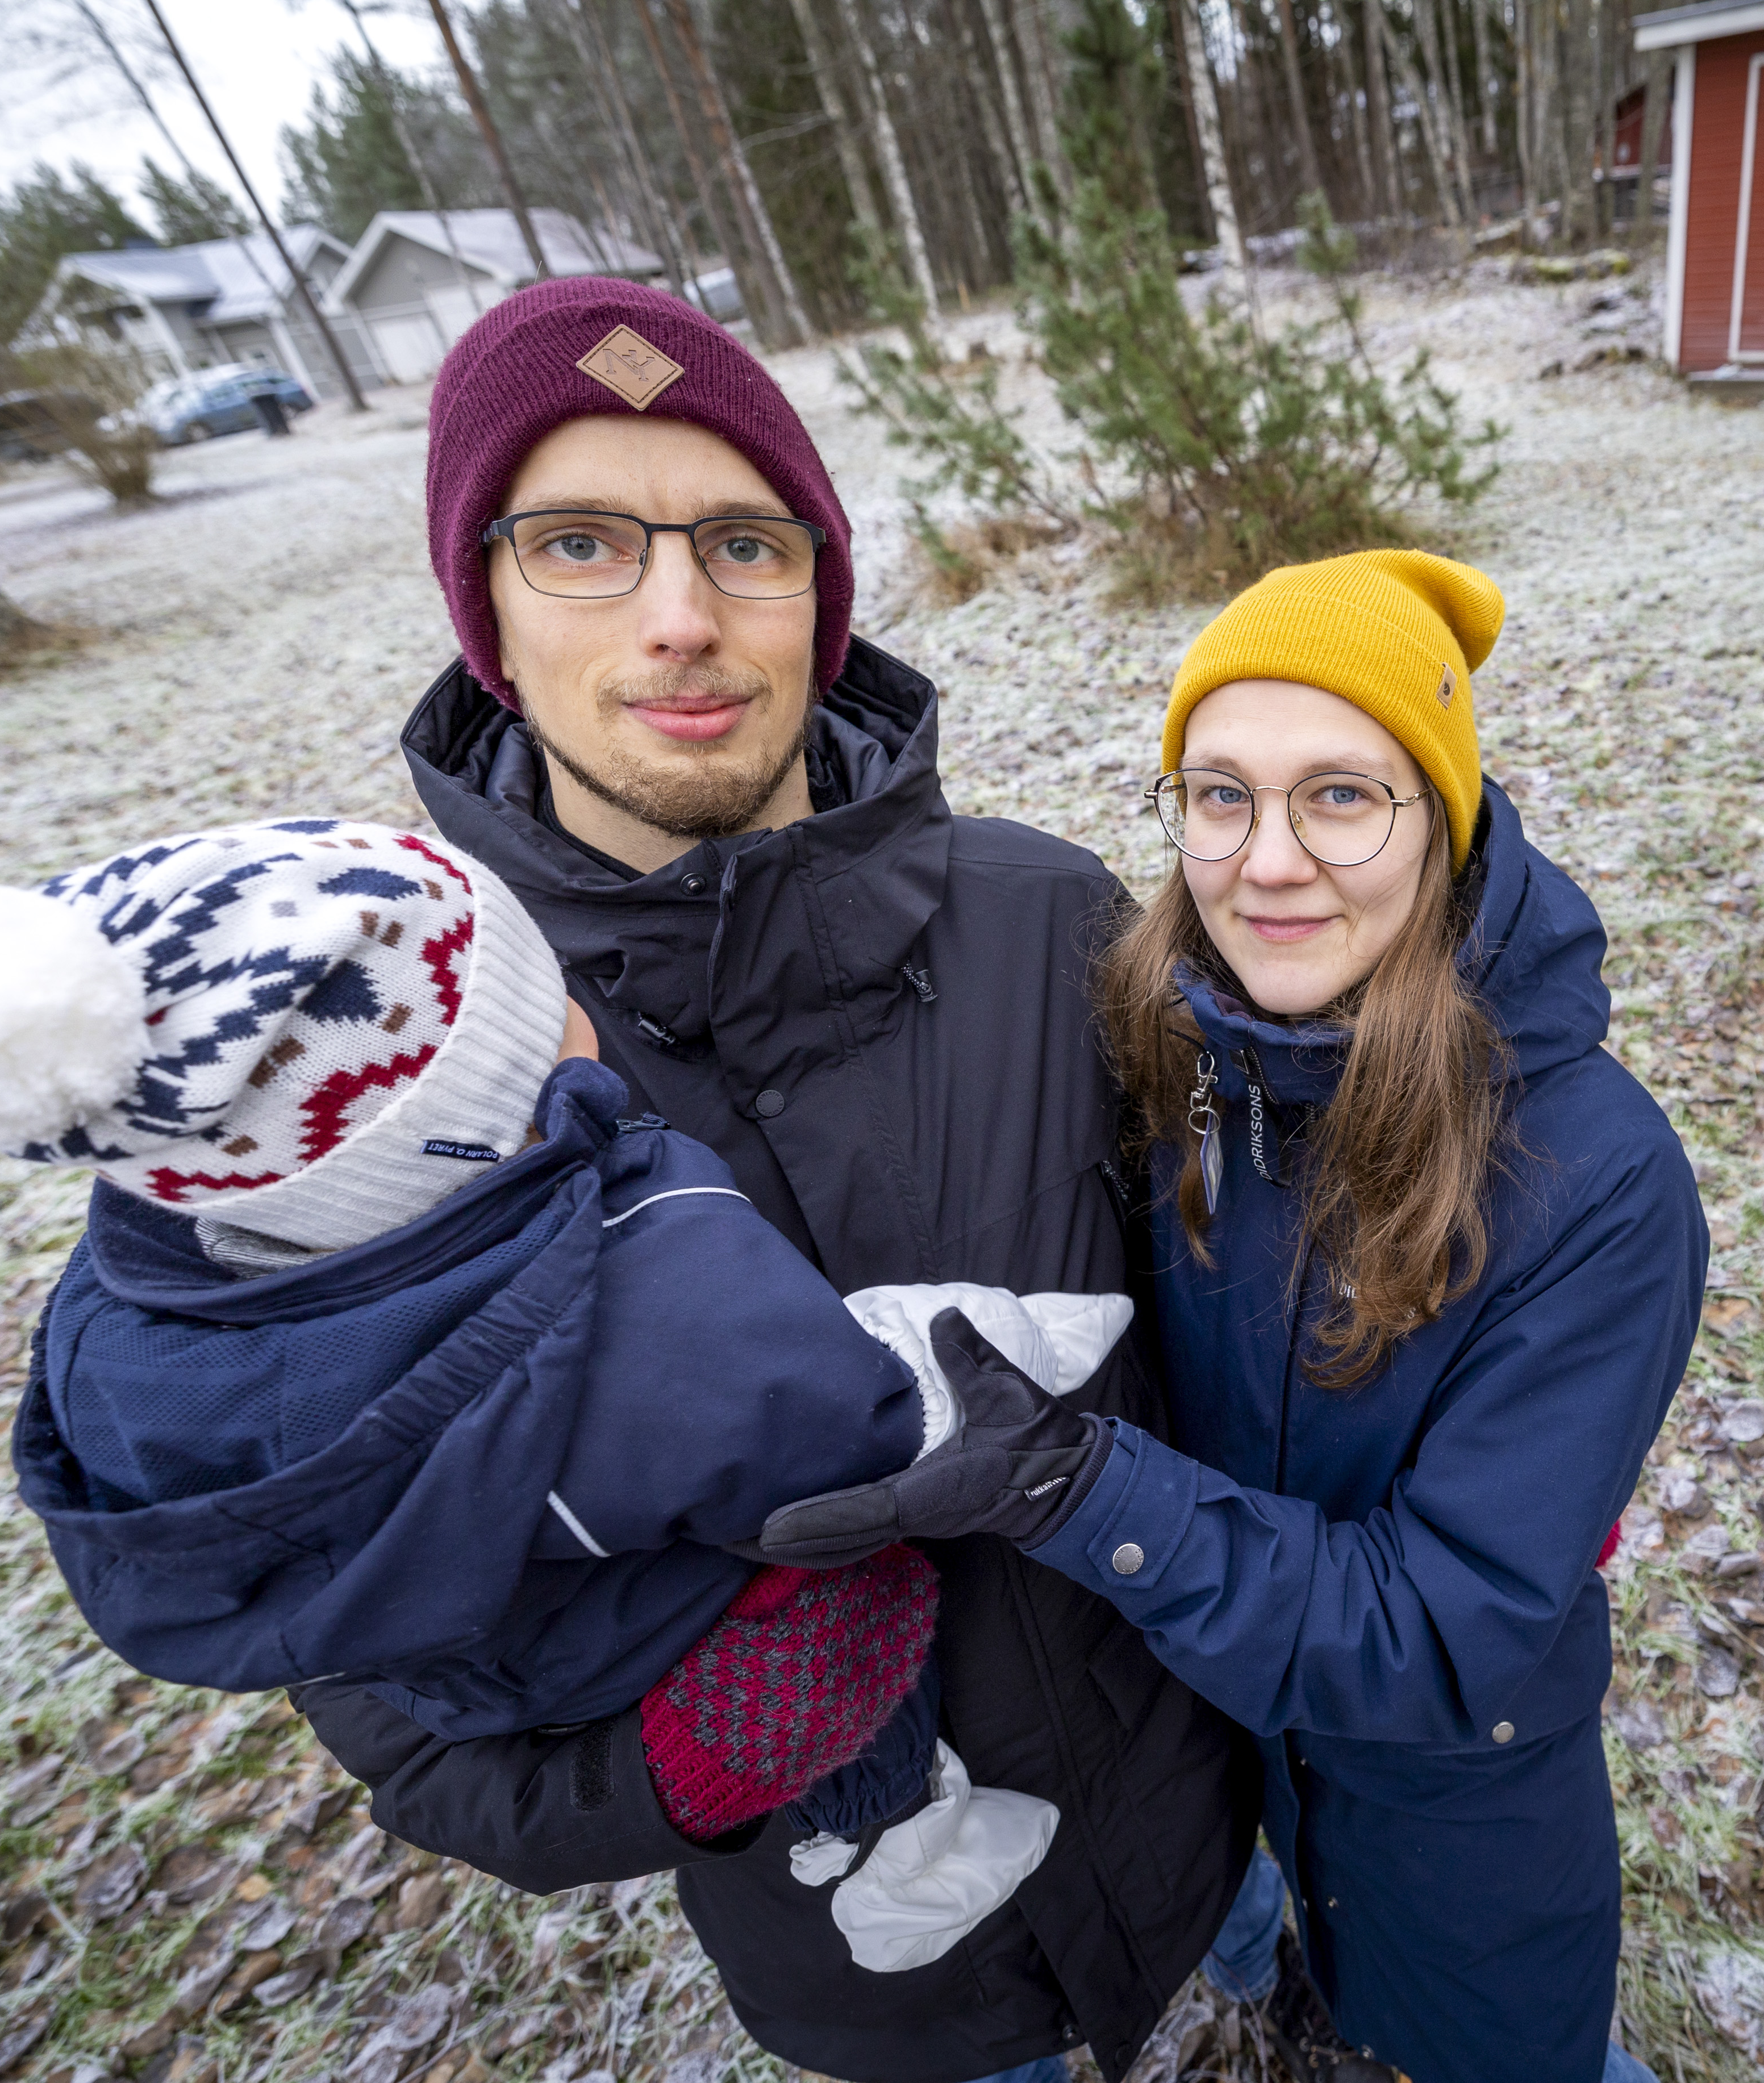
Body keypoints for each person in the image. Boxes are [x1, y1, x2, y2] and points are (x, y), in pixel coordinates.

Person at [271, 279, 1253, 2083]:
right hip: (876, 1949)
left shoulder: (1049, 919)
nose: (683, 616)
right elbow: (350, 1624)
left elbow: (1246, 1309)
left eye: (745, 540)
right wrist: (667, 1770)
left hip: (1196, 1781)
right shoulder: (397, 1057)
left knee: (1268, 1950)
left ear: (823, 579)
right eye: (580, 540)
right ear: (479, 598)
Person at [0, 816, 1127, 1972]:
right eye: (547, 1026)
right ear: (468, 1129)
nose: (583, 1028)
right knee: (854, 1601)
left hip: (472, 1660)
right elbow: (843, 1414)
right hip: (649, 1636)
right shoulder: (625, 1321)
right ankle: (894, 1835)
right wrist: (989, 1358)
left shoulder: (139, 1326)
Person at [761, 552, 1711, 2083]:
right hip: (1230, 1750)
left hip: (1448, 1797)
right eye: (1218, 794)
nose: (1265, 860)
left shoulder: (1596, 1181)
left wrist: (1085, 1489)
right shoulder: (1193, 1064)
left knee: (1514, 2057)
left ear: (1446, 818)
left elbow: (1443, 1627)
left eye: (1341, 794)